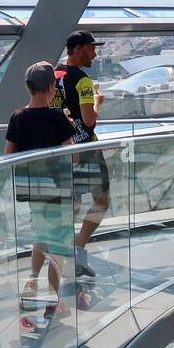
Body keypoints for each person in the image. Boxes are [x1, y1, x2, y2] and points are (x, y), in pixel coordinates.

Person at [6, 61, 79, 313]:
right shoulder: (57, 117)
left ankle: (31, 281)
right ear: (50, 87)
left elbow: (9, 154)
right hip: (57, 190)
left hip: (32, 189)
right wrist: (68, 122)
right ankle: (53, 298)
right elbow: (73, 156)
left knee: (41, 236)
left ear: (29, 87)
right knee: (58, 244)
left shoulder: (17, 117)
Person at [54, 31, 108, 278]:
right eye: (91, 48)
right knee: (102, 199)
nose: (95, 54)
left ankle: (66, 253)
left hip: (60, 149)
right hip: (85, 149)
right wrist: (97, 101)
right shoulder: (83, 80)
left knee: (72, 203)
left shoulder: (52, 75)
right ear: (78, 49)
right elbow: (89, 121)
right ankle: (78, 247)